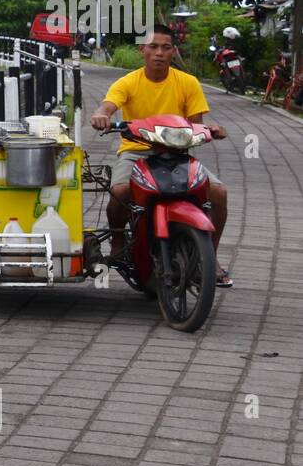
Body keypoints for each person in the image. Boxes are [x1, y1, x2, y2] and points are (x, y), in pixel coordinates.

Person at [89, 23, 232, 286]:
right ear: (142, 49)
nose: (159, 53)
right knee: (120, 192)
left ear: (173, 51)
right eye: (153, 47)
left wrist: (210, 129)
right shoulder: (128, 81)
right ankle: (119, 240)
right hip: (136, 152)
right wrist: (101, 115)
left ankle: (209, 255)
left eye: (166, 48)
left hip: (178, 154)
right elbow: (108, 105)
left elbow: (196, 123)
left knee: (219, 192)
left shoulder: (188, 83)